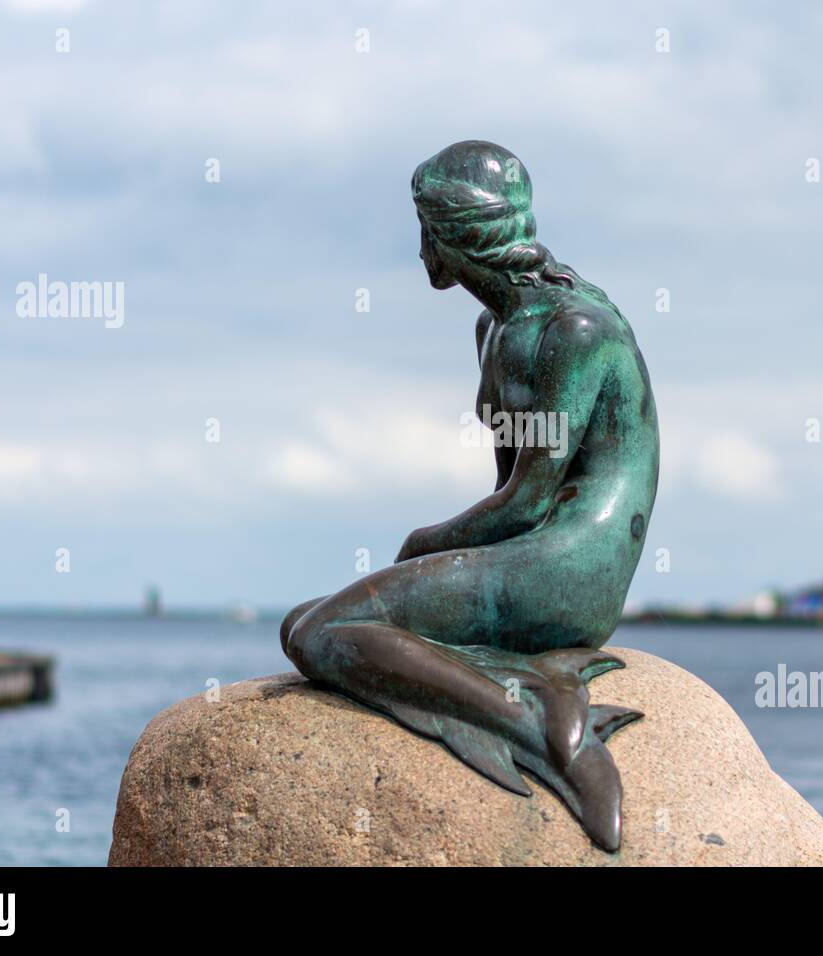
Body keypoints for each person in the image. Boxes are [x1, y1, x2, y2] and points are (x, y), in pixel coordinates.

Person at [281, 141, 659, 850]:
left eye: (425, 226)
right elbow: (507, 491)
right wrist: (423, 567)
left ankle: (544, 725)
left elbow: (529, 499)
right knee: (306, 624)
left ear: (454, 233)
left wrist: (423, 547)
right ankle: (519, 690)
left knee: (323, 633)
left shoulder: (574, 331)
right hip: (532, 548)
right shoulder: (495, 329)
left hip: (575, 565)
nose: (419, 246)